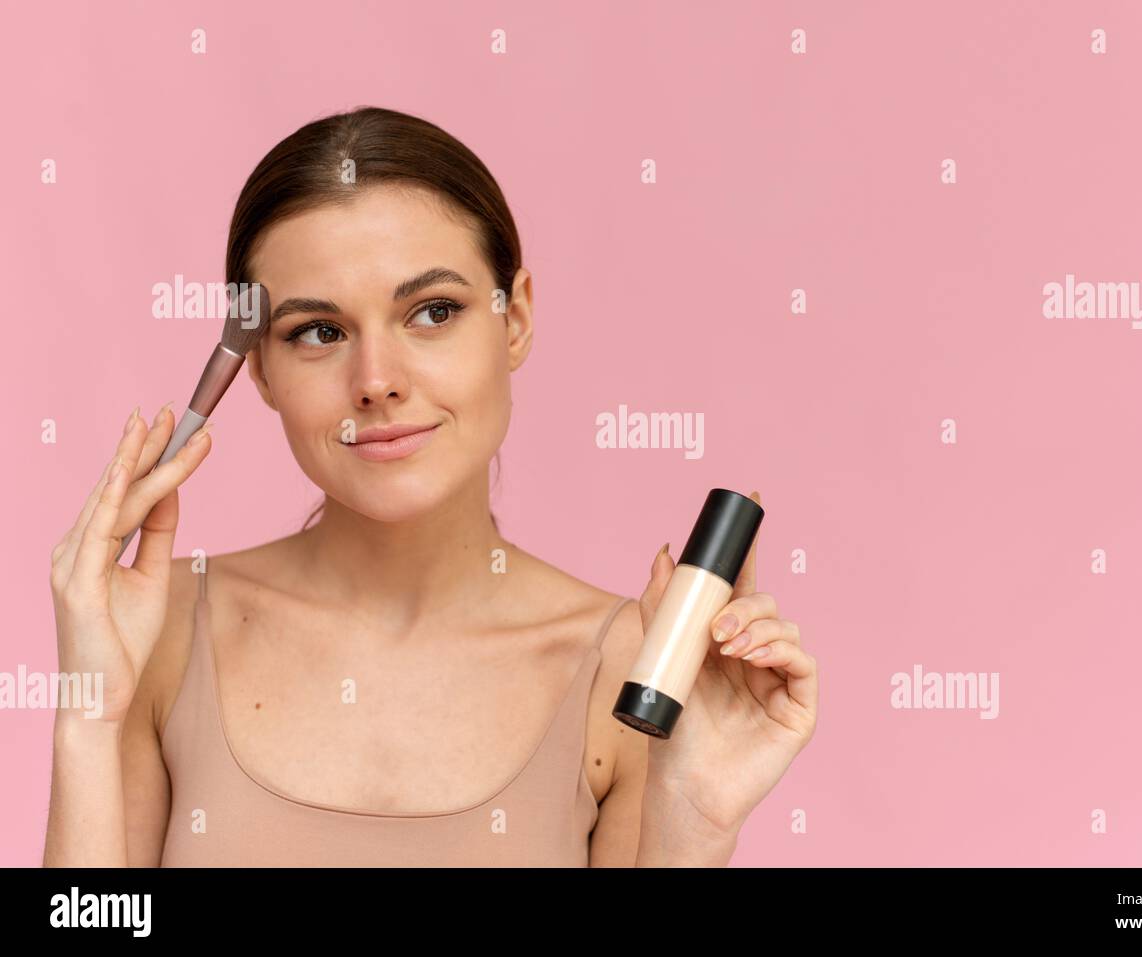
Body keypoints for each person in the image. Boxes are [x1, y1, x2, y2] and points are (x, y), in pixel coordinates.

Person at [43, 106, 817, 867]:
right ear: (262, 371)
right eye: (320, 330)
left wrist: (693, 827)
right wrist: (87, 715)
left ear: (513, 319)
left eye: (432, 311)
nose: (376, 381)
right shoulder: (157, 634)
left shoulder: (635, 670)